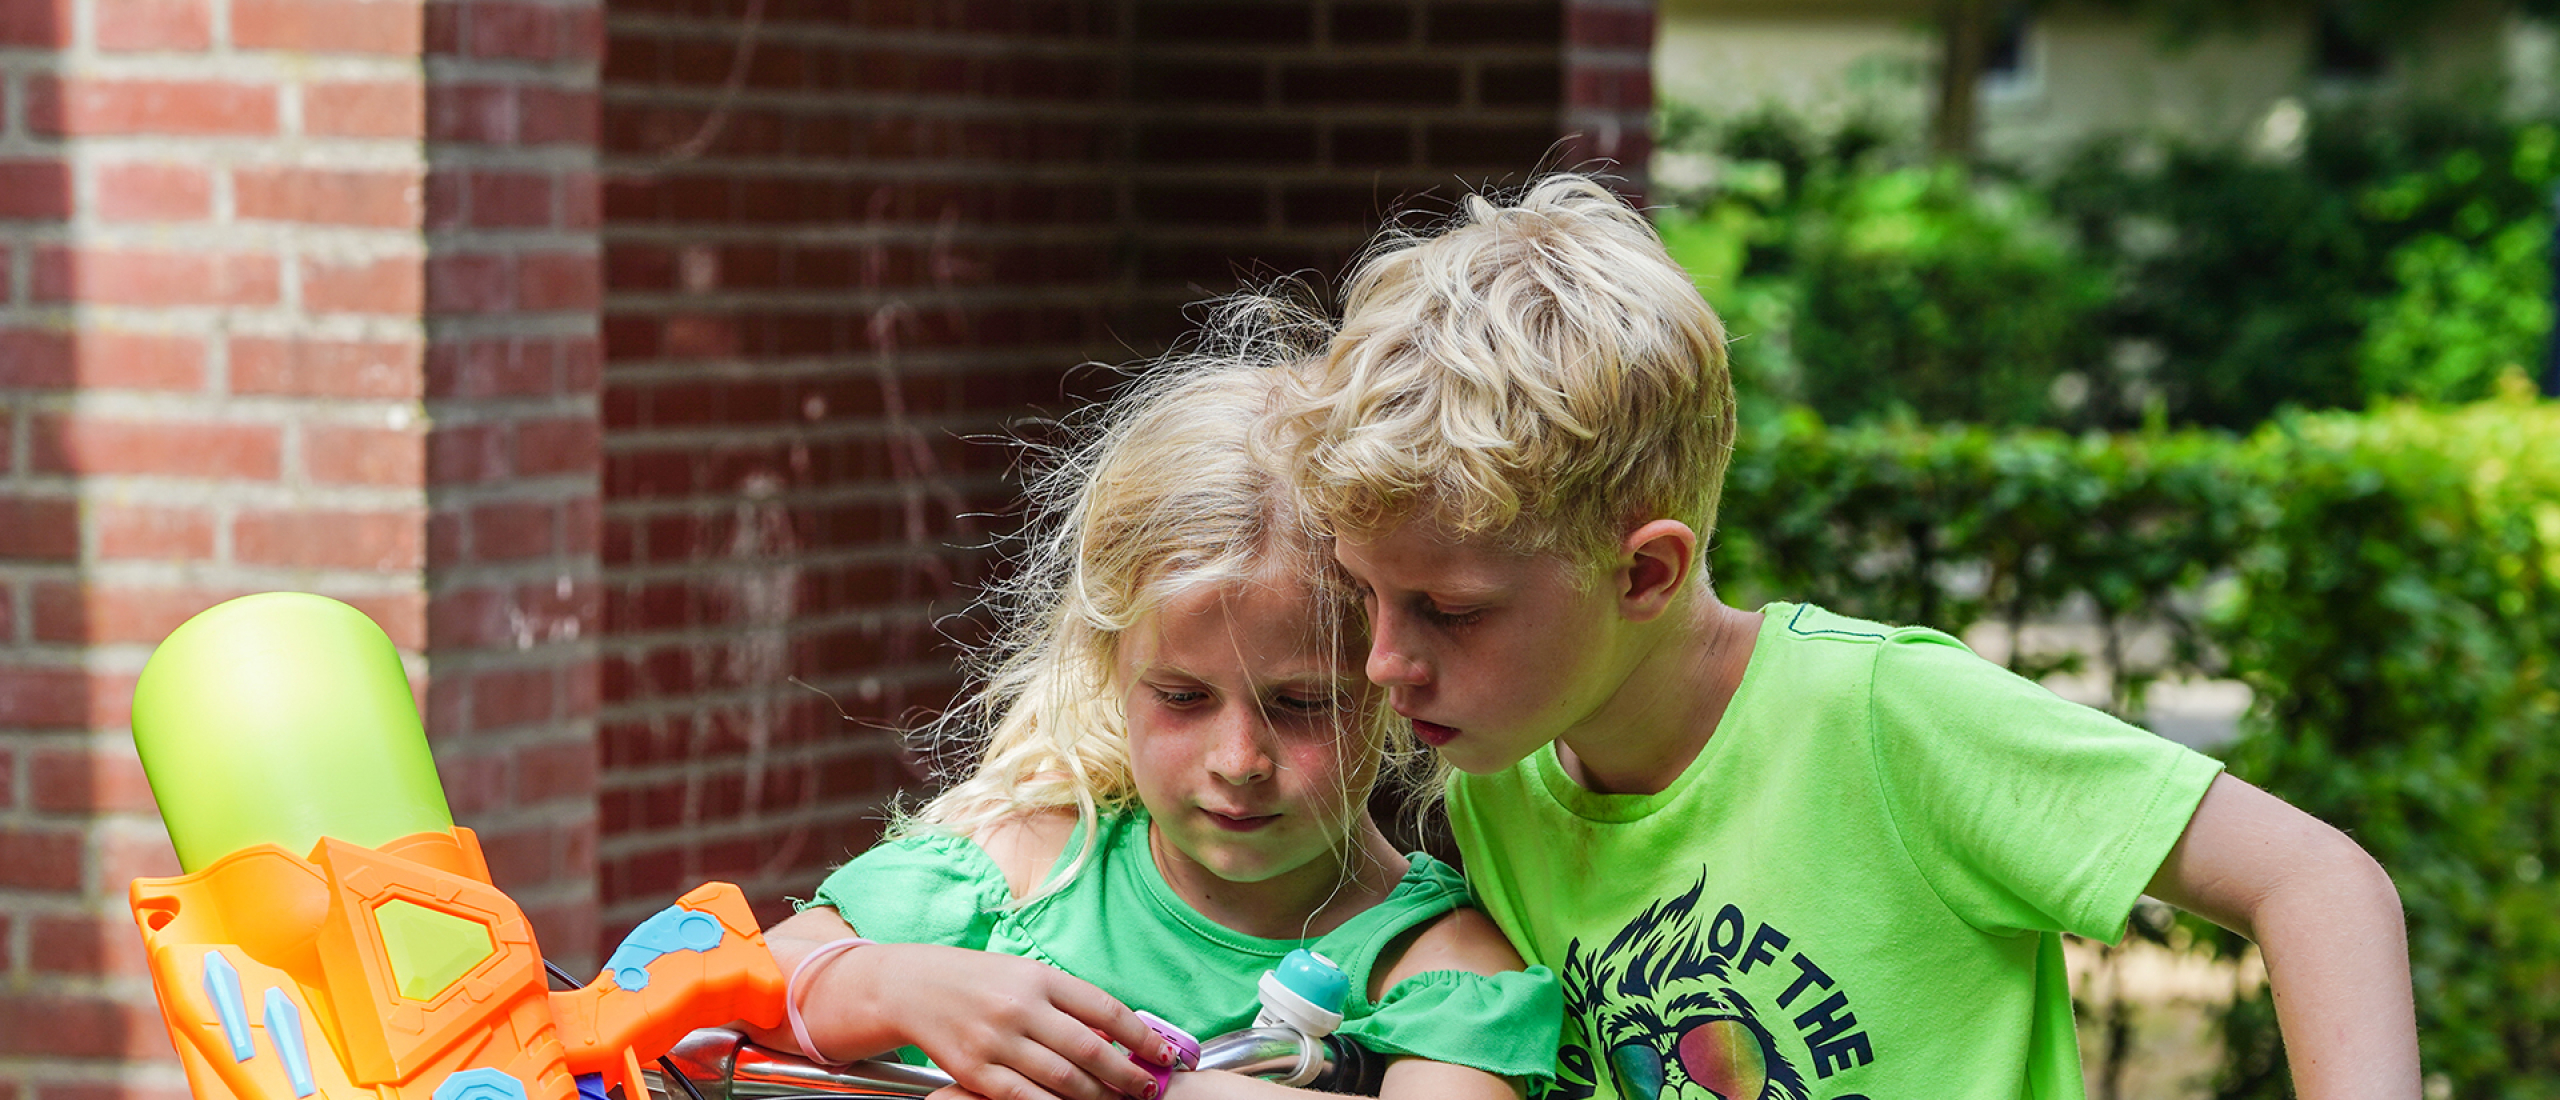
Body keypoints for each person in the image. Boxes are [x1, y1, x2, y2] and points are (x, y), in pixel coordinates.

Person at [1279, 174, 2419, 1100]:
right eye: (1370, 596)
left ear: (1645, 571)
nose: (1384, 659)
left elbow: (2316, 878)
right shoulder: (1501, 771)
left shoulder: (1883, 717)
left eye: (1450, 609)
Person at [757, 323, 1564, 1100]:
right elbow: (699, 989)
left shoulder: (1433, 967)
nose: (1239, 758)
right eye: (1183, 697)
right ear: (1112, 665)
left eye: (1301, 703)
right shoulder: (1020, 866)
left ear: (1388, 678)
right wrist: (900, 986)